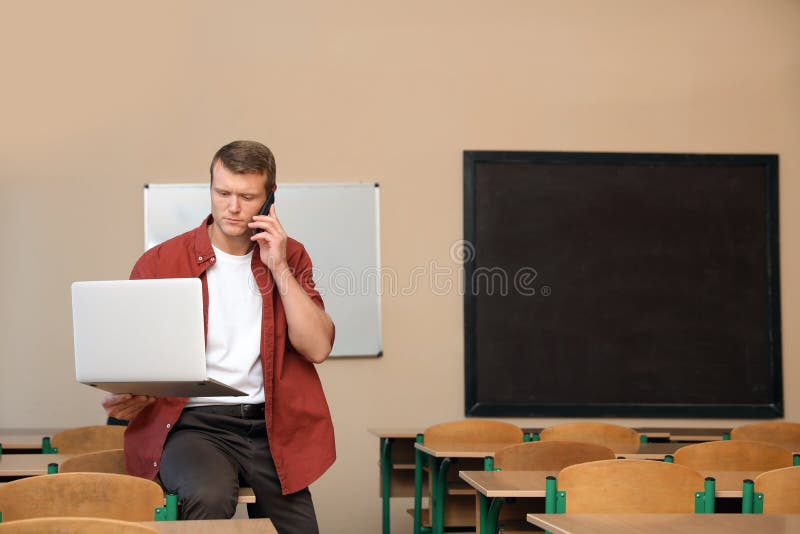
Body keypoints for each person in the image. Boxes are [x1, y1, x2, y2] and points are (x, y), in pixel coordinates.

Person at [102, 140, 335, 533]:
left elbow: (317, 346)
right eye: (222, 192)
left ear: (269, 198)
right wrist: (130, 392)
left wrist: (278, 267)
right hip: (193, 424)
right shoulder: (160, 262)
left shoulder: (291, 256)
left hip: (269, 425)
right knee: (208, 497)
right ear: (210, 188)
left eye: (247, 197)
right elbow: (134, 357)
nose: (232, 206)